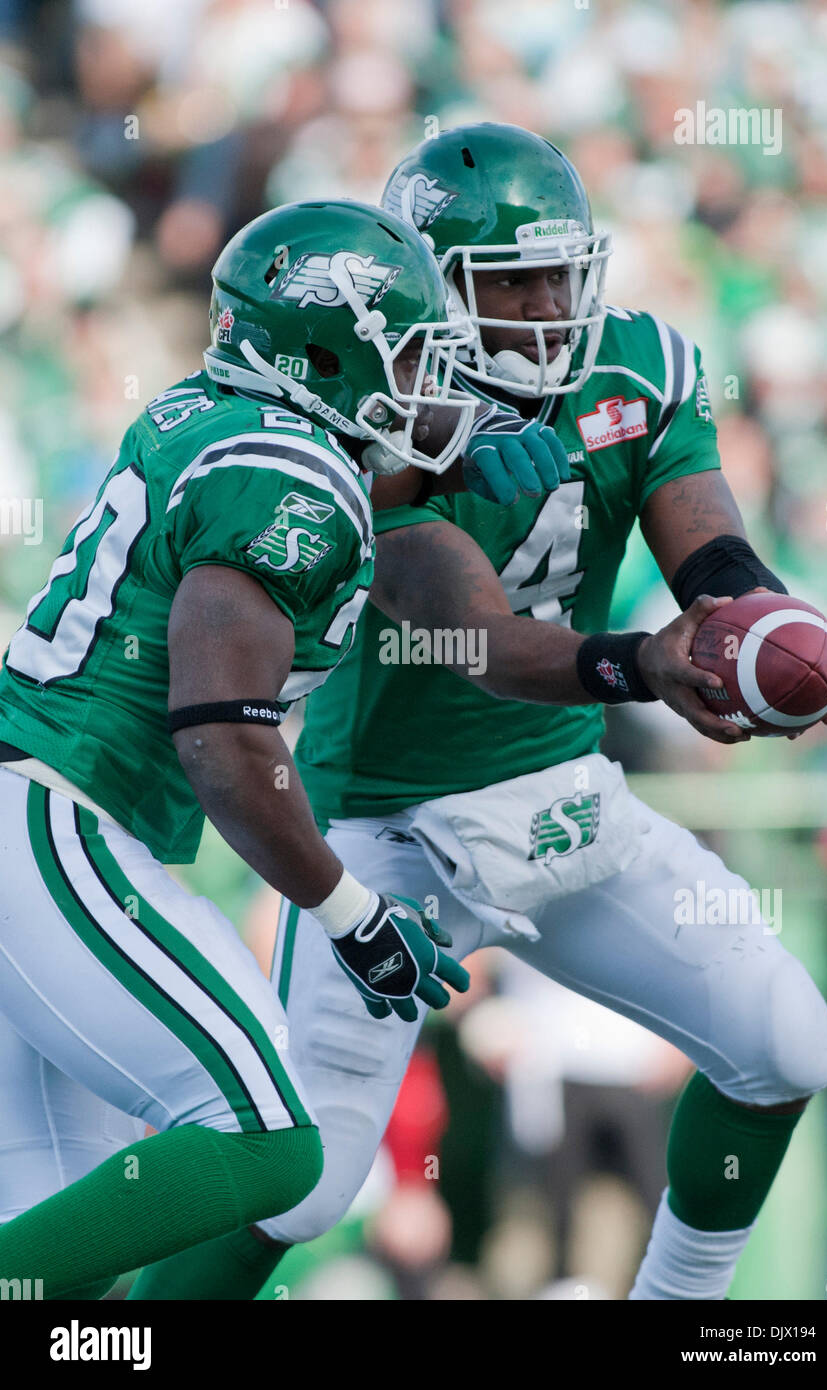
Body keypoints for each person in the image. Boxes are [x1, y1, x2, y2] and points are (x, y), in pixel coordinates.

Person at [140, 124, 827, 1302]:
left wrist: (752, 631)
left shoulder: (633, 366)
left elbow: (710, 546)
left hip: (566, 807)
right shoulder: (372, 399)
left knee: (786, 1047)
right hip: (388, 836)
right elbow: (474, 645)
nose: (544, 303)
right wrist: (642, 666)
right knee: (305, 1181)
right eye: (506, 280)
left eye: (558, 270)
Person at [0, 197, 507, 1298]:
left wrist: (437, 475)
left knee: (58, 1272)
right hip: (60, 813)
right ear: (330, 352)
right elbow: (222, 734)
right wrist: (346, 910)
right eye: (414, 351)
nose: (434, 381)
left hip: (43, 813)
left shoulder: (224, 422)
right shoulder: (293, 478)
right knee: (268, 1141)